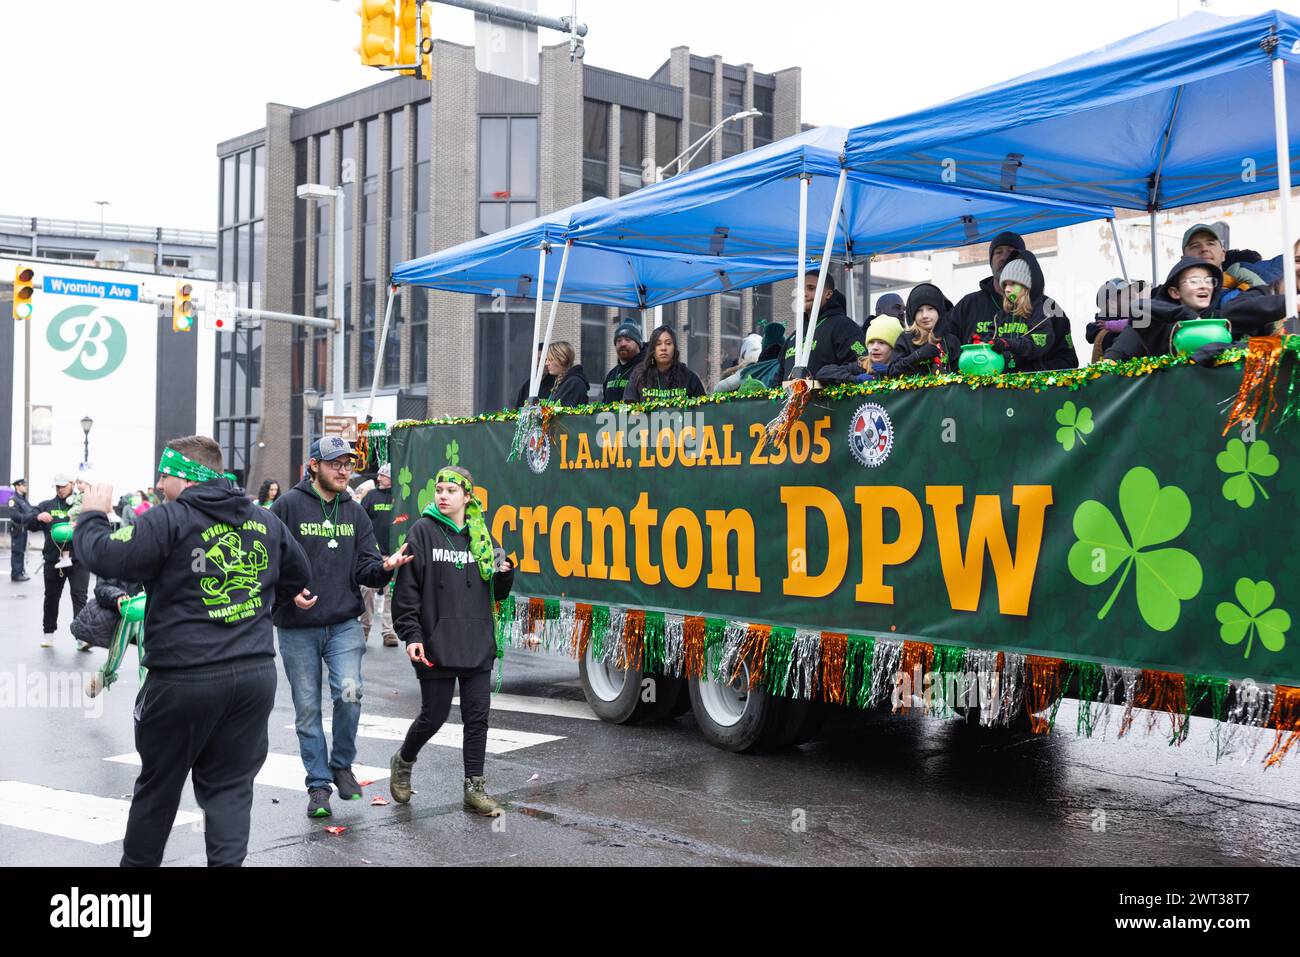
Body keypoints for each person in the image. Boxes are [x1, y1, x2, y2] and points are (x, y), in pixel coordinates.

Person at [73, 435, 312, 867]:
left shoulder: (170, 520)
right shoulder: (264, 520)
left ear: (183, 476)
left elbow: (107, 558)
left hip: (184, 676)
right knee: (230, 789)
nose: (160, 484)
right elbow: (298, 574)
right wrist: (251, 615)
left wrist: (92, 515)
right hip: (253, 675)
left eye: (165, 475)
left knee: (158, 788)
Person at [270, 435, 413, 819]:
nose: (344, 469)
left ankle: (342, 764)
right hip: (297, 627)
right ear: (314, 465)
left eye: (348, 463)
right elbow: (267, 560)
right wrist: (287, 594)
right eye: (335, 463)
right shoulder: (287, 506)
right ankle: (318, 787)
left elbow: (365, 566)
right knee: (306, 710)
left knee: (350, 694)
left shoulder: (354, 511)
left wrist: (383, 568)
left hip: (344, 623)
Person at [389, 465, 515, 816]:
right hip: (435, 642)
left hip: (476, 641)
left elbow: (498, 593)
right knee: (434, 715)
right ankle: (403, 759)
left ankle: (474, 788)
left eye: (450, 491)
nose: (442, 496)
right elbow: (407, 591)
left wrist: (506, 573)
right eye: (439, 489)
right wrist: (411, 635)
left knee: (478, 717)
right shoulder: (422, 532)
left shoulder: (482, 536)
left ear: (468, 497)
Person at [1103, 256, 1286, 363]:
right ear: (1175, 292)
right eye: (1194, 281)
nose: (1204, 286)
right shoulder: (1157, 326)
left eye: (1209, 281)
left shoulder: (1221, 322)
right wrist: (1186, 316)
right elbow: (1138, 308)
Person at [971, 251, 1077, 372]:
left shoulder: (1041, 313)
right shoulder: (1000, 316)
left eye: (1013, 283)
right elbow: (992, 337)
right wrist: (981, 343)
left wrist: (1008, 344)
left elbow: (1038, 342)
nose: (1007, 289)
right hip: (1004, 382)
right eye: (1005, 284)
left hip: (1033, 384)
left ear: (1026, 286)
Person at [27, 472, 89, 647]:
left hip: (78, 560)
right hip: (54, 560)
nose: (60, 489)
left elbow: (99, 523)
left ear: (72, 484)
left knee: (79, 597)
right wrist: (37, 517)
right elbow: (28, 522)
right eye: (57, 486)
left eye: (63, 486)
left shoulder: (84, 502)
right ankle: (48, 633)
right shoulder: (47, 505)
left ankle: (81, 637)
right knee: (52, 597)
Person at [943, 231, 1025, 343]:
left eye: (1011, 252)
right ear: (990, 262)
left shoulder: (1041, 306)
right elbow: (945, 342)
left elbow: (1057, 352)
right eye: (998, 252)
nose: (1004, 257)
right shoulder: (968, 304)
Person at [781, 273, 863, 381]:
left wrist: (830, 380)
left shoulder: (844, 327)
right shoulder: (794, 336)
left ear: (828, 294)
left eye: (811, 288)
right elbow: (778, 377)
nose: (804, 293)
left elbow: (861, 363)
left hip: (831, 397)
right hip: (791, 397)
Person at [361, 462, 398, 648]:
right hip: (373, 554)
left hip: (393, 554)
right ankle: (364, 629)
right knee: (367, 590)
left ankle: (388, 632)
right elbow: (361, 522)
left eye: (383, 475)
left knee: (391, 593)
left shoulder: (399, 497)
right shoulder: (371, 497)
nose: (379, 478)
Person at [625, 325, 707, 403]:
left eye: (668, 343)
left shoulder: (688, 377)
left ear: (674, 348)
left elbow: (703, 409)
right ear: (652, 349)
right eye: (658, 344)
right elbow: (628, 408)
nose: (663, 348)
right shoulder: (639, 375)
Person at [891, 283, 960, 375]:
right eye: (919, 310)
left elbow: (961, 373)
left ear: (939, 311)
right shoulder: (906, 338)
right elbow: (893, 371)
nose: (925, 315)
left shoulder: (951, 340)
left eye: (930, 309)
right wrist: (918, 355)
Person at [815, 315, 904, 384]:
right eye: (871, 342)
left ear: (893, 347)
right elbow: (823, 373)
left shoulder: (905, 367)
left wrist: (892, 371)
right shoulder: (862, 366)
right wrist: (855, 379)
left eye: (882, 343)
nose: (875, 347)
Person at [602, 321, 645, 403]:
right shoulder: (612, 374)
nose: (623, 344)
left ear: (638, 344)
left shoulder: (645, 370)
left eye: (628, 340)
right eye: (619, 340)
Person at [543, 341, 591, 407]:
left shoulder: (574, 383)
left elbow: (563, 414)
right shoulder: (563, 381)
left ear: (562, 359)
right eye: (546, 360)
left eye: (550, 359)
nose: (546, 363)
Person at [8, 478, 34, 582]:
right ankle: (16, 574)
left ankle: (20, 571)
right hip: (17, 529)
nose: (25, 486)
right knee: (17, 551)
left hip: (23, 528)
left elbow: (31, 510)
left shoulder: (23, 499)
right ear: (17, 486)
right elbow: (15, 515)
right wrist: (28, 517)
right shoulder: (13, 500)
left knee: (21, 551)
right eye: (23, 485)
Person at [515, 342, 555, 408]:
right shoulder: (528, 385)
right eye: (537, 359)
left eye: (544, 359)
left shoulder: (557, 382)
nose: (540, 363)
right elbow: (517, 410)